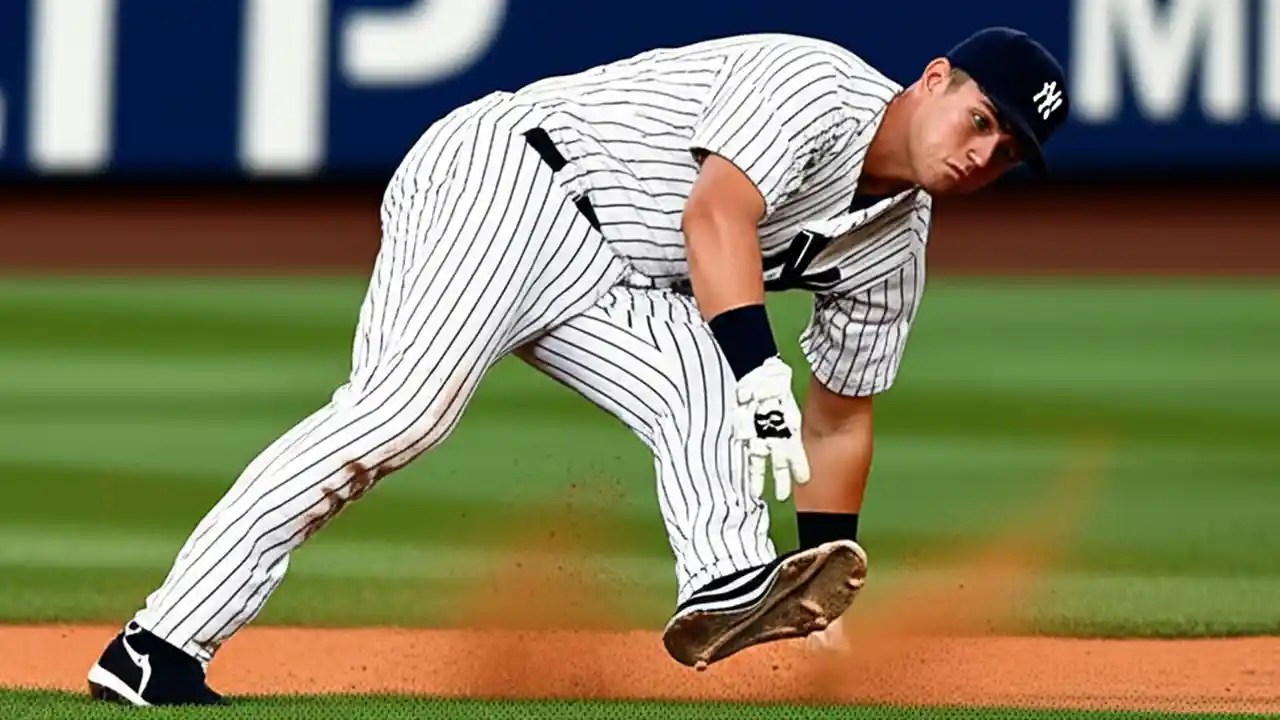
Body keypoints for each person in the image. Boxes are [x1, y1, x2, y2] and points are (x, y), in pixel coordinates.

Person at [86, 26, 1069, 706]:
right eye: (980, 119)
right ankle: (156, 647)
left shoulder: (897, 244)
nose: (982, 152)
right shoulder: (814, 84)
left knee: (711, 385)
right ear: (932, 78)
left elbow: (841, 414)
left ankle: (729, 582)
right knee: (401, 415)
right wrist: (759, 372)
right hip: (511, 177)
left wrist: (823, 585)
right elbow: (712, 217)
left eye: (1008, 152)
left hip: (617, 274)